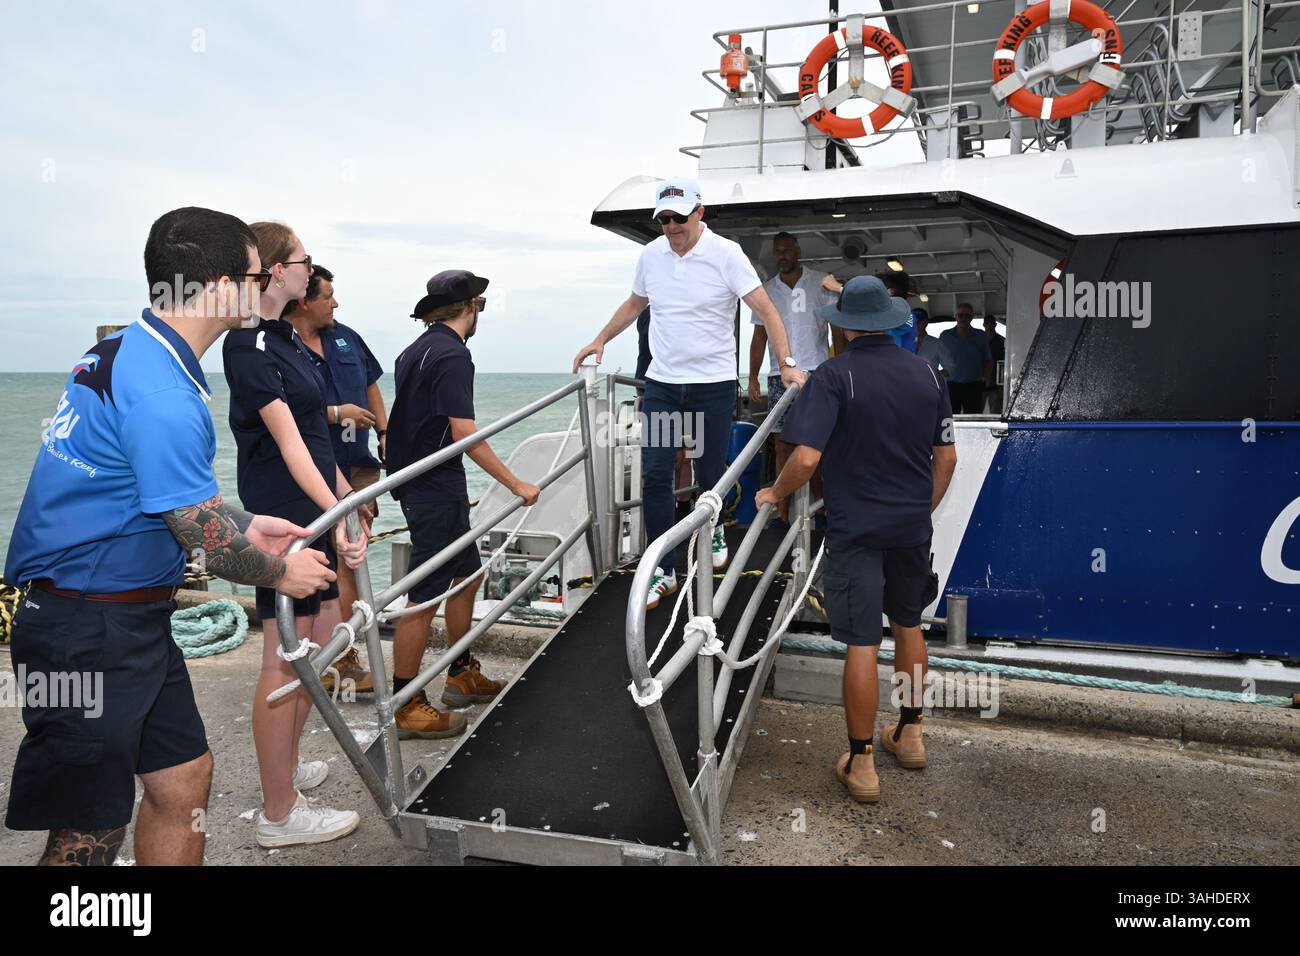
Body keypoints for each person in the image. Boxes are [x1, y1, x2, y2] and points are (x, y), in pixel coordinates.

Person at [3, 206, 336, 865]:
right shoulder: (163, 390)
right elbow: (195, 532)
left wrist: (246, 522)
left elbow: (166, 498)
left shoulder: (130, 348)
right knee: (88, 831)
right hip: (86, 626)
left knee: (184, 780)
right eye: (254, 274)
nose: (263, 285)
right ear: (217, 286)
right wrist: (280, 573)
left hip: (127, 619)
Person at [756, 275, 957, 805]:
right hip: (910, 528)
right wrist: (921, 510)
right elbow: (948, 458)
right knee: (909, 625)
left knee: (864, 642)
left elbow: (804, 459)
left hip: (855, 531)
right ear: (890, 323)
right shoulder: (929, 374)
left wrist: (774, 493)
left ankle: (863, 762)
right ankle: (911, 734)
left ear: (843, 326)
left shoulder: (831, 377)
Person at [572, 179, 805, 608]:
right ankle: (665, 568)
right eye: (663, 218)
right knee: (655, 474)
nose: (671, 226)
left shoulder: (726, 254)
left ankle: (713, 527)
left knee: (709, 472)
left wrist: (786, 365)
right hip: (662, 384)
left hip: (712, 385)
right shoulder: (651, 256)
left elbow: (767, 310)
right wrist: (600, 338)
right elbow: (635, 304)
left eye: (679, 217)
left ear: (700, 212)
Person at [223, 221, 369, 848]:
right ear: (276, 270)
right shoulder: (247, 346)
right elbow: (287, 445)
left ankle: (282, 765)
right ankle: (279, 813)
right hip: (284, 519)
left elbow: (313, 433)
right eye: (304, 260)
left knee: (321, 642)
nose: (313, 269)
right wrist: (335, 510)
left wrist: (349, 505)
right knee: (283, 660)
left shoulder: (285, 337)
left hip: (317, 507)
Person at [385, 271, 540, 738]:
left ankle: (461, 674)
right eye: (482, 305)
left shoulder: (414, 350)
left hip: (430, 481)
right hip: (432, 486)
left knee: (466, 575)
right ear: (471, 306)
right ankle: (407, 703)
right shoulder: (454, 355)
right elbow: (465, 434)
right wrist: (516, 484)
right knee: (425, 593)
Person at [283, 264, 387, 695]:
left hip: (357, 466)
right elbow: (281, 412)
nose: (336, 303)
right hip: (313, 469)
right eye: (329, 295)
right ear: (306, 299)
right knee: (324, 563)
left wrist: (385, 433)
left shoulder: (347, 337)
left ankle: (346, 654)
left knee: (353, 557)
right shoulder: (279, 347)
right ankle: (337, 658)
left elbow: (372, 384)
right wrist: (335, 413)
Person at [746, 232, 836, 523]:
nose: (782, 255)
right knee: (782, 442)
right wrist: (753, 378)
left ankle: (821, 503)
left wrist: (842, 366)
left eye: (787, 250)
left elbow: (838, 328)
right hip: (778, 375)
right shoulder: (766, 290)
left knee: (819, 441)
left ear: (797, 251)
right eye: (778, 251)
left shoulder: (821, 281)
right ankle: (783, 510)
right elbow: (759, 337)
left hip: (817, 372)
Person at [938, 302, 993, 414]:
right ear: (955, 316)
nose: (963, 318)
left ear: (972, 317)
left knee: (974, 420)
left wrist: (985, 377)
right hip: (951, 386)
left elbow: (988, 359)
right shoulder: (945, 336)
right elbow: (937, 358)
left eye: (967, 315)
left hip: (973, 386)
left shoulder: (980, 335)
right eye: (960, 315)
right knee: (949, 419)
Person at [982, 314, 1005, 414]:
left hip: (995, 384)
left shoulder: (1002, 341)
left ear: (995, 325)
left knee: (996, 413)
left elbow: (1003, 364)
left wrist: (1001, 385)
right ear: (984, 325)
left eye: (992, 324)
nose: (990, 326)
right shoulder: (978, 340)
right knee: (974, 411)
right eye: (987, 324)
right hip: (979, 383)